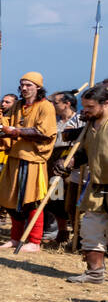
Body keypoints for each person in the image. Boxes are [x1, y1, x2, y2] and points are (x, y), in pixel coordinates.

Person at [0, 72, 56, 253]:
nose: (24, 88)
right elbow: (5, 127)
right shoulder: (18, 105)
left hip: (33, 160)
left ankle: (34, 241)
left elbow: (45, 132)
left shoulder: (46, 107)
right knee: (12, 200)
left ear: (37, 87)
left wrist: (15, 131)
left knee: (32, 200)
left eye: (28, 85)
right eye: (22, 85)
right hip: (14, 157)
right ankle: (15, 238)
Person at [63, 84, 108, 283]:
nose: (85, 111)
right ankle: (94, 273)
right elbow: (85, 154)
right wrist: (70, 161)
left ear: (105, 104)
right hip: (96, 186)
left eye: (90, 107)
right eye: (84, 107)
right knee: (90, 230)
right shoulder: (89, 126)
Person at [47, 90, 83, 245]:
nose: (53, 105)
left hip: (72, 160)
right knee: (55, 197)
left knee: (72, 198)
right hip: (53, 160)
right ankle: (62, 232)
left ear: (67, 104)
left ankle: (78, 236)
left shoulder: (81, 120)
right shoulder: (53, 120)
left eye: (56, 103)